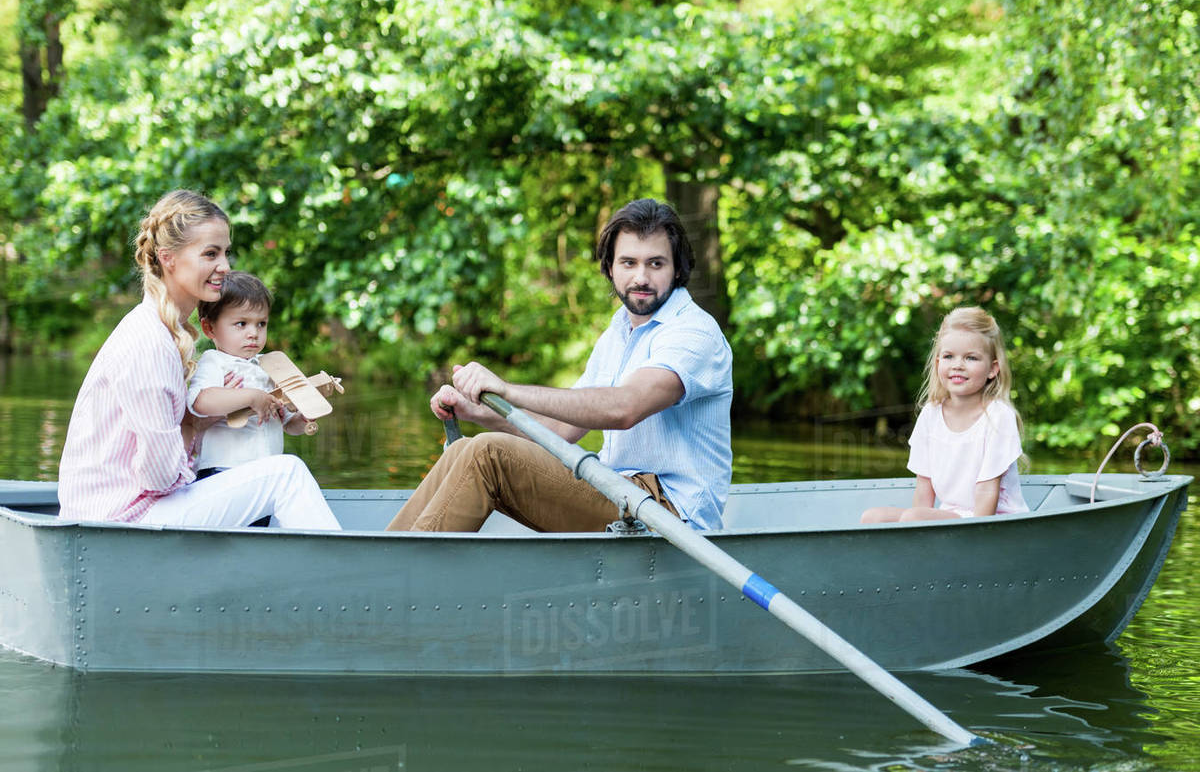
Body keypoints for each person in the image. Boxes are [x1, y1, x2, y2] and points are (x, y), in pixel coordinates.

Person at [386, 197, 733, 533]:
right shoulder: (620, 332)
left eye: (655, 263)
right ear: (610, 268)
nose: (641, 277)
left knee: (487, 454)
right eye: (629, 263)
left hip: (669, 515)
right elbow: (560, 431)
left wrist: (508, 390)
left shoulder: (694, 332)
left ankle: (400, 581)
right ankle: (385, 562)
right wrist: (479, 413)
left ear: (677, 271)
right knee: (466, 447)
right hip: (619, 490)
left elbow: (625, 407)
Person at [57, 190, 341, 530]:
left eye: (225, 253)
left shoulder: (159, 330)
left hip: (127, 512)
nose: (225, 266)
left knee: (273, 474)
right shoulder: (150, 343)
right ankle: (351, 577)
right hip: (120, 519)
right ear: (168, 258)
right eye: (210, 254)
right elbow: (160, 477)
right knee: (286, 473)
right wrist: (194, 425)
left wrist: (202, 421)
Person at [860, 306, 1028, 523]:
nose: (958, 365)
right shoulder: (931, 414)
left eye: (971, 358)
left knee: (913, 517)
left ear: (992, 369)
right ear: (938, 363)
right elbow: (924, 488)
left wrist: (976, 534)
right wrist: (916, 530)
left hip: (993, 521)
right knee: (872, 517)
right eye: (949, 356)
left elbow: (987, 490)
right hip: (954, 515)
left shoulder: (998, 417)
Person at [187, 270, 314, 480]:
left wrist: (304, 417)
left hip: (266, 472)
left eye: (261, 324)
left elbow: (289, 424)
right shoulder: (214, 362)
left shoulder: (270, 366)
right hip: (223, 469)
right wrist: (251, 397)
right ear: (209, 328)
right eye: (241, 324)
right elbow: (199, 401)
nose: (253, 333)